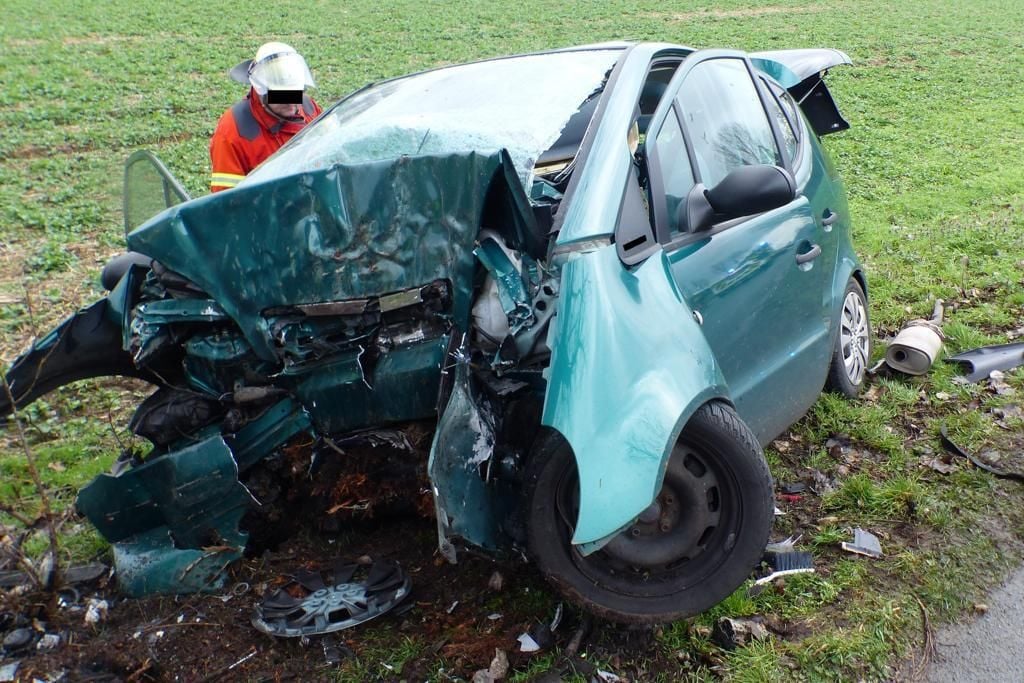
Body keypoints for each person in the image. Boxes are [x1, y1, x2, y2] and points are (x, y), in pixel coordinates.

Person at [209, 42, 322, 192]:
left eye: (296, 93)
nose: (292, 102)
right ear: (262, 91)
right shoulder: (233, 130)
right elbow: (226, 201)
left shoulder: (310, 109)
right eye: (281, 95)